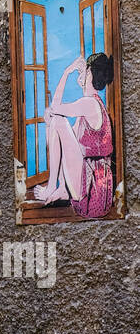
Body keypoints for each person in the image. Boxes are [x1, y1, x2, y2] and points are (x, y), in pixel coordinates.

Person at [32, 52, 114, 218]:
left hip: (92, 193)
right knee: (55, 122)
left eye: (82, 71)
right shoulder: (93, 102)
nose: (79, 73)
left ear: (89, 73)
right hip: (94, 189)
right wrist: (51, 115)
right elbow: (67, 142)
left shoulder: (89, 103)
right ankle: (62, 188)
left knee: (57, 121)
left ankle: (52, 187)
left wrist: (67, 71)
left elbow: (55, 107)